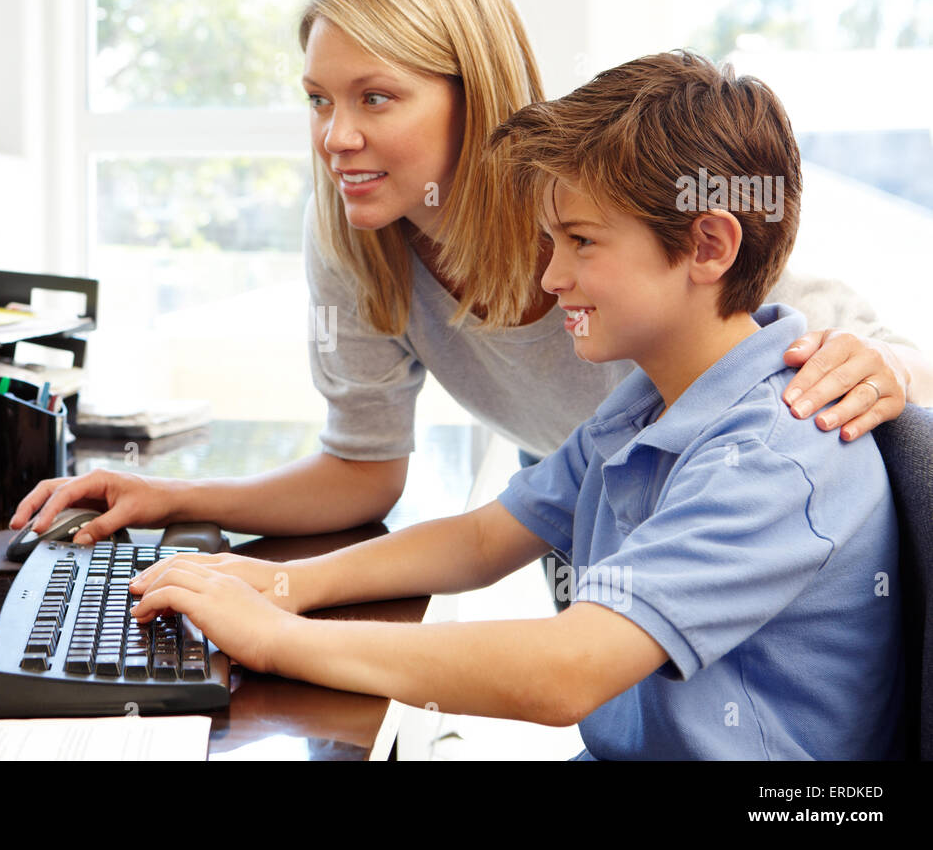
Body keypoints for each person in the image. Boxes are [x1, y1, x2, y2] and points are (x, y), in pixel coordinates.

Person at [10, 0, 930, 549]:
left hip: (720, 505)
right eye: (318, 100)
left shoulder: (593, 192)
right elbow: (363, 471)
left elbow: (799, 310)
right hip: (578, 492)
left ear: (473, 91)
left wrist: (886, 364)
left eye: (374, 97)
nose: (334, 137)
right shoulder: (355, 229)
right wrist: (178, 502)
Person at [127, 50, 904, 759]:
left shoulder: (776, 452)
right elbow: (482, 539)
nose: (551, 276)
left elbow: (564, 673)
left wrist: (273, 640)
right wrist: (286, 585)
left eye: (581, 242)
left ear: (708, 245)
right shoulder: (647, 404)